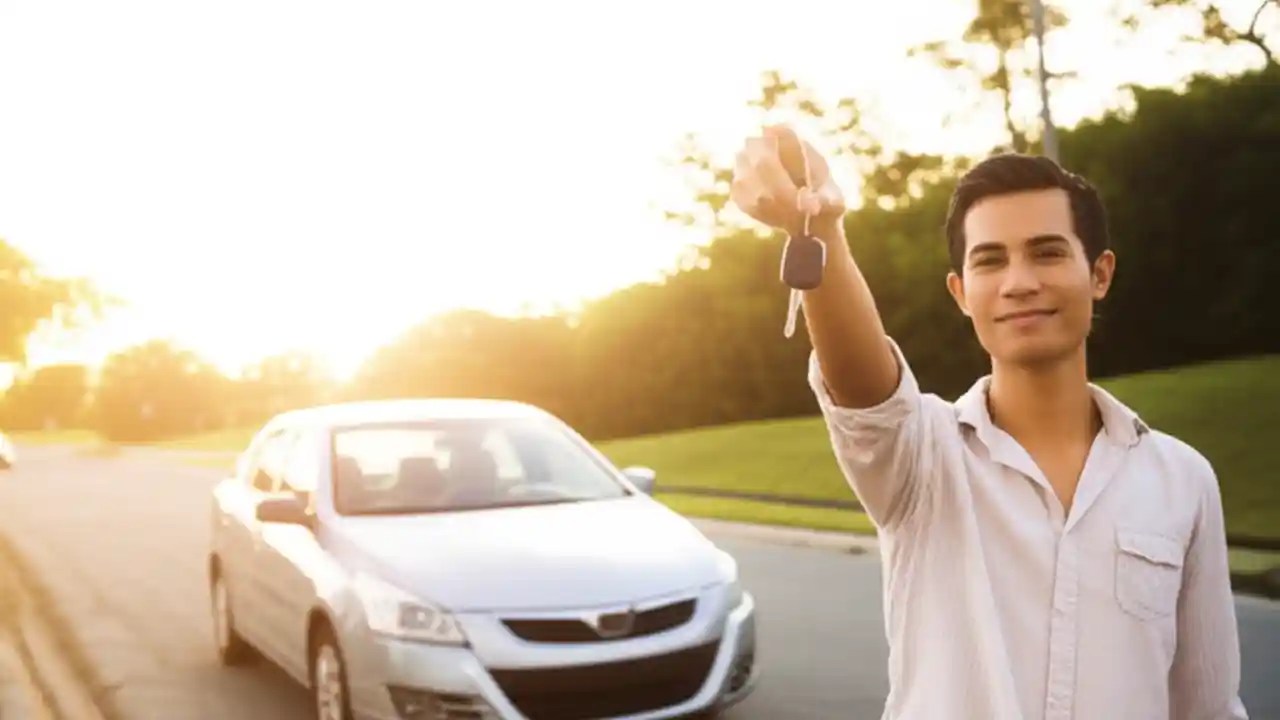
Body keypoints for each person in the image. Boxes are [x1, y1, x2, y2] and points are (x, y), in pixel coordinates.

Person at [730, 125, 1247, 720]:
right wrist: (822, 228)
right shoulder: (921, 457)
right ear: (961, 291)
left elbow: (1206, 704)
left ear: (1099, 274)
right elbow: (864, 392)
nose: (1019, 282)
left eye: (1047, 252)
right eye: (990, 261)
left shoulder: (1183, 479)